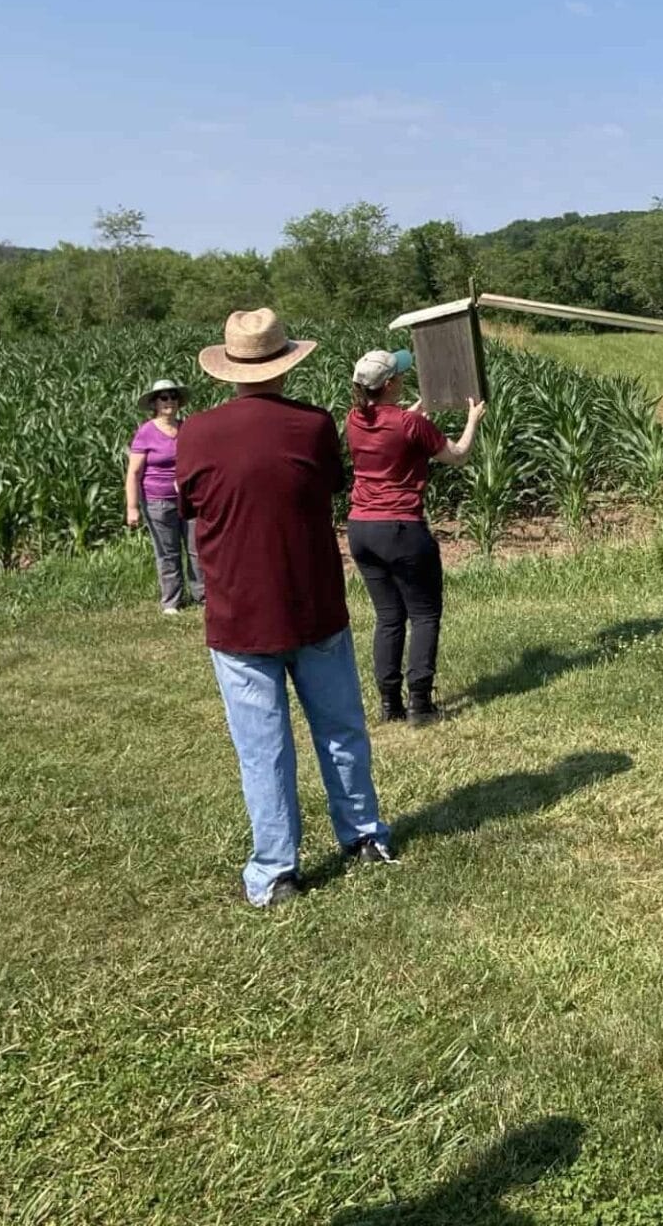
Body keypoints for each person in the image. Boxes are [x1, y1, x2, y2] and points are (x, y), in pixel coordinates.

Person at [177, 310, 395, 908]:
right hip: (313, 603)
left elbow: (191, 506)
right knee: (342, 730)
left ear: (229, 369)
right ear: (284, 362)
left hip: (237, 613)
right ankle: (365, 837)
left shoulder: (194, 433)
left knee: (263, 749)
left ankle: (276, 871)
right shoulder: (313, 424)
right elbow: (326, 485)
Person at [344, 349, 485, 727]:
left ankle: (389, 703)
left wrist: (417, 411)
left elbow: (395, 426)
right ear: (389, 384)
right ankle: (420, 704)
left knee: (388, 617)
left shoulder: (354, 419)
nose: (404, 379)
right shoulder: (409, 424)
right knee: (424, 615)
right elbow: (457, 454)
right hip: (402, 529)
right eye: (400, 376)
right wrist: (473, 420)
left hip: (361, 529)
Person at [124, 378, 204, 615]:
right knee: (168, 552)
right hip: (157, 500)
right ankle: (172, 601)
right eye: (164, 397)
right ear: (155, 404)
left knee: (196, 549)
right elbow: (134, 472)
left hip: (188, 499)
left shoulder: (186, 428)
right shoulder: (146, 432)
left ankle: (203, 596)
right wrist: (132, 507)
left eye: (173, 396)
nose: (169, 401)